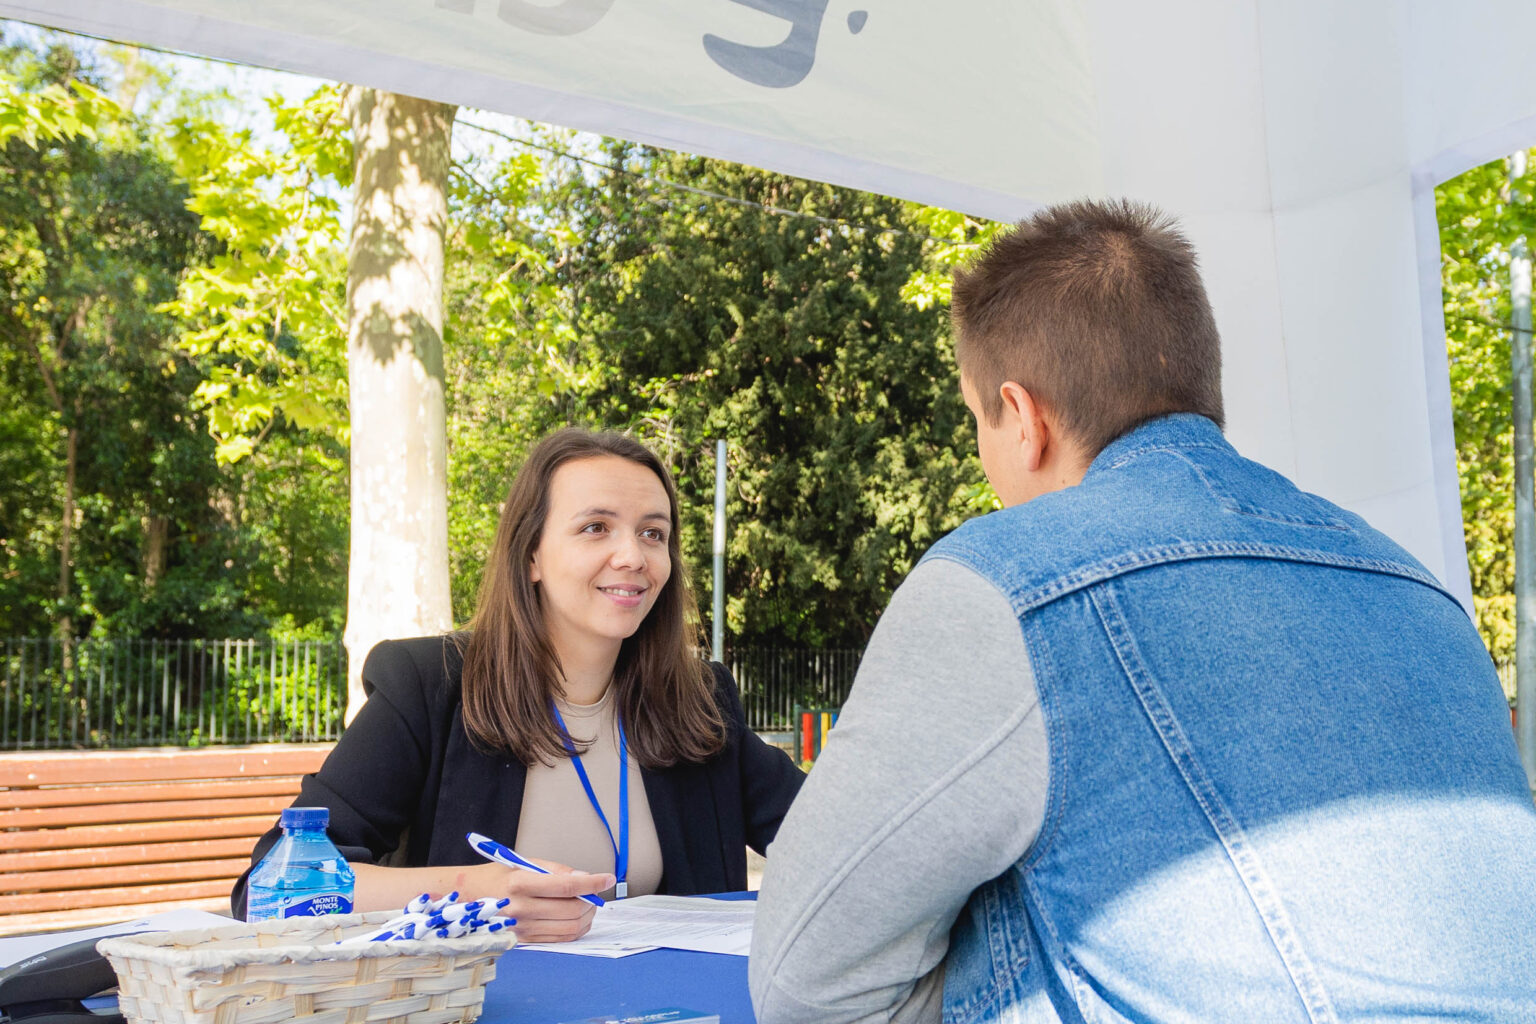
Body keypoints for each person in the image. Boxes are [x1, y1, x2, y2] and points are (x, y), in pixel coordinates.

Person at [749, 200, 1536, 1022]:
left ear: (1022, 418)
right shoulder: (1416, 585)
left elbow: (804, 981)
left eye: (976, 417)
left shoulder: (1004, 584)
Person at [234, 428, 804, 941]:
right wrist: (481, 893)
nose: (632, 555)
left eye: (654, 534)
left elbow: (833, 841)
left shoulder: (698, 702)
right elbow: (273, 888)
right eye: (595, 527)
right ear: (531, 554)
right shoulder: (429, 688)